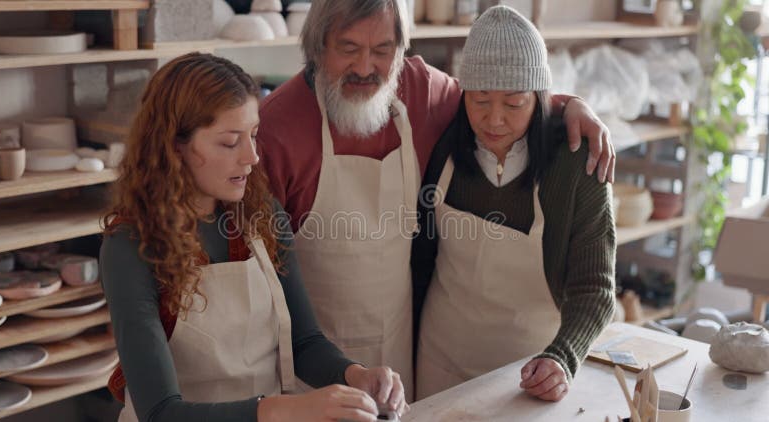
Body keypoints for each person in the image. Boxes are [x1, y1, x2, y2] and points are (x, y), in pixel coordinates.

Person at [257, 0, 616, 399]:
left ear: (401, 50)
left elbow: (500, 91)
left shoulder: (419, 90)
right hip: (315, 368)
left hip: (402, 358)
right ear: (317, 45)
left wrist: (572, 106)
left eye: (382, 50)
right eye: (348, 48)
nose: (365, 67)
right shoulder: (275, 128)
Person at [100, 53, 407, 422]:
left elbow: (304, 342)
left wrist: (356, 375)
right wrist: (283, 409)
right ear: (174, 146)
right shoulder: (130, 246)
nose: (252, 157)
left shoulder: (261, 214)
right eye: (231, 142)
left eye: (254, 135)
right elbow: (161, 413)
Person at [412, 6, 616, 402]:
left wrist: (562, 357)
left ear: (540, 98)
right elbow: (420, 256)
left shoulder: (577, 163)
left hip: (530, 369)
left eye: (513, 103)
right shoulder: (444, 145)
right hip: (439, 356)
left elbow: (595, 288)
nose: (494, 120)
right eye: (480, 100)